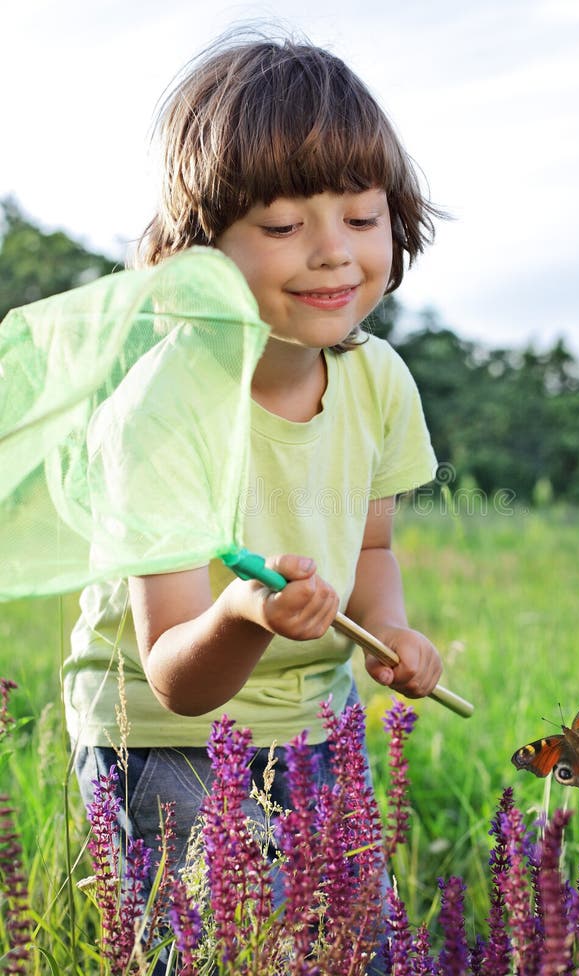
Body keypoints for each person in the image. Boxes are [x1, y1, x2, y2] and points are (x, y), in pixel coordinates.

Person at [64, 26, 442, 956]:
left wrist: (388, 631)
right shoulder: (163, 410)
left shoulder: (379, 379)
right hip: (162, 739)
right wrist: (246, 615)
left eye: (362, 217)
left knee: (358, 942)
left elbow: (374, 547)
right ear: (202, 252)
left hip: (317, 713)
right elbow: (174, 675)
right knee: (218, 949)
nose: (333, 254)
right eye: (282, 226)